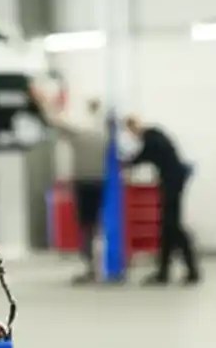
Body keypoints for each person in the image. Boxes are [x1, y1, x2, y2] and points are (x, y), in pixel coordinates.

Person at [123, 116, 199, 285]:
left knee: (173, 227)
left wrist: (124, 164)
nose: (132, 135)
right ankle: (165, 272)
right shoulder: (155, 136)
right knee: (168, 227)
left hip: (172, 183)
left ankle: (190, 270)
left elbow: (142, 156)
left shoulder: (151, 137)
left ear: (134, 126)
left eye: (131, 130)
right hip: (172, 182)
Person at [44, 98, 108, 284]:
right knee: (96, 226)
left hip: (85, 183)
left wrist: (46, 104)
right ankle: (97, 266)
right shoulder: (105, 137)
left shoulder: (79, 136)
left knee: (87, 227)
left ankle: (92, 266)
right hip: (99, 183)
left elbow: (56, 123)